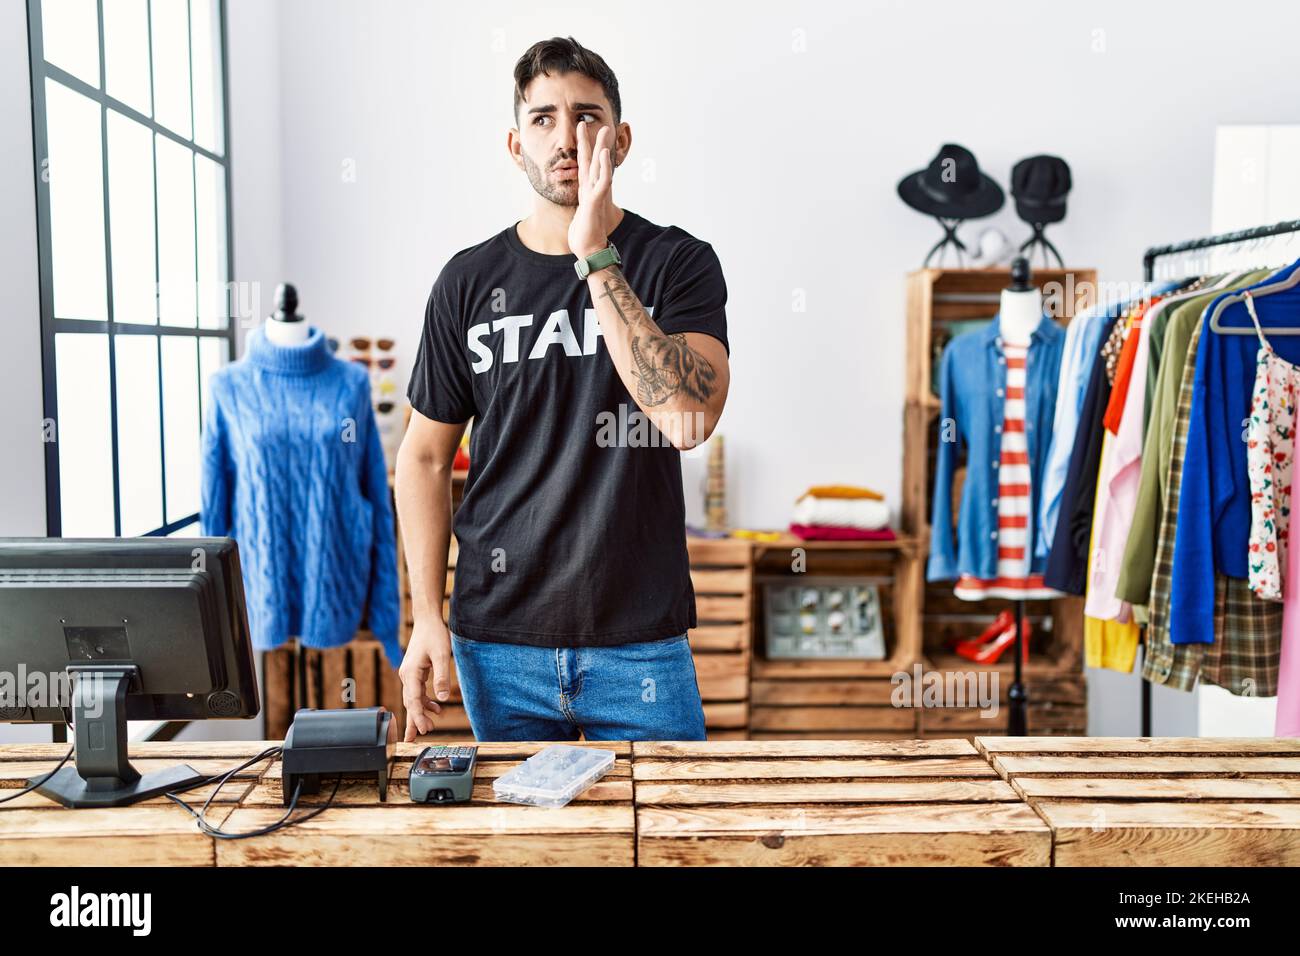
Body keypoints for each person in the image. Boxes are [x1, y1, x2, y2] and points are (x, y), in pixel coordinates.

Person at [395, 36, 731, 743]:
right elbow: (424, 458)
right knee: (529, 848)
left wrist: (594, 254)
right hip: (498, 641)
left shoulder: (677, 263)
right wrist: (428, 615)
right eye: (543, 118)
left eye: (587, 116)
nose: (567, 137)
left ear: (621, 138)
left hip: (639, 640)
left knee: (667, 846)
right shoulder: (466, 281)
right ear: (516, 144)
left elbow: (688, 420)